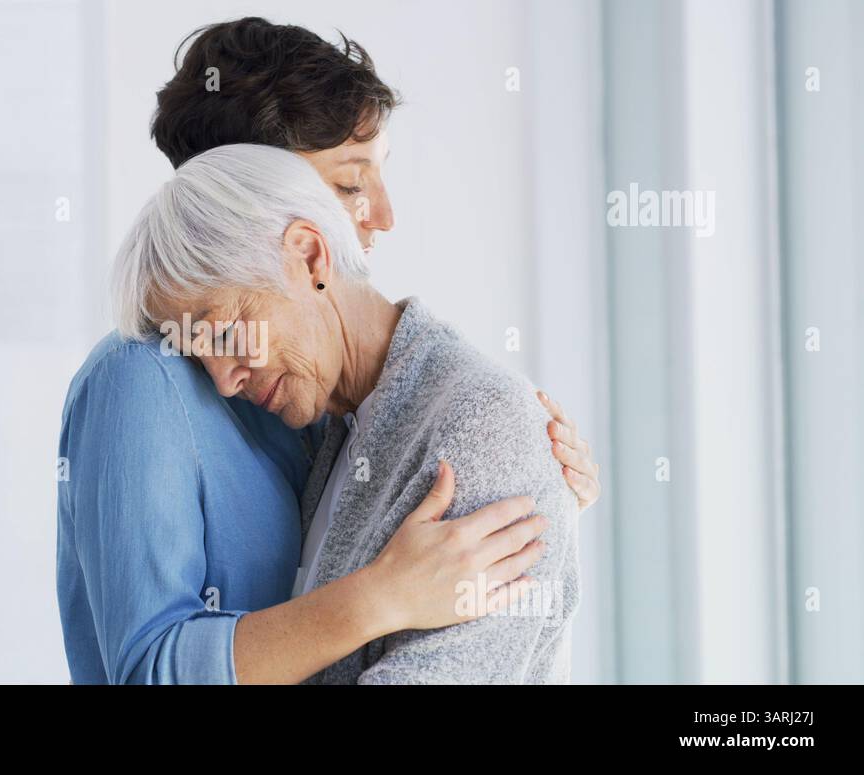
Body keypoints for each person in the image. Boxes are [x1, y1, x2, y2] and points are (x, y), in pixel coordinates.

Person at [57, 18, 598, 684]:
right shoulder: (144, 381)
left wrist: (542, 483)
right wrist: (376, 597)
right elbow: (147, 669)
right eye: (347, 185)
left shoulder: (337, 412)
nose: (382, 215)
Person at [115, 143, 581, 683]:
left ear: (310, 257)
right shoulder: (328, 432)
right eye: (201, 355)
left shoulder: (485, 427)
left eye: (223, 331)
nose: (224, 380)